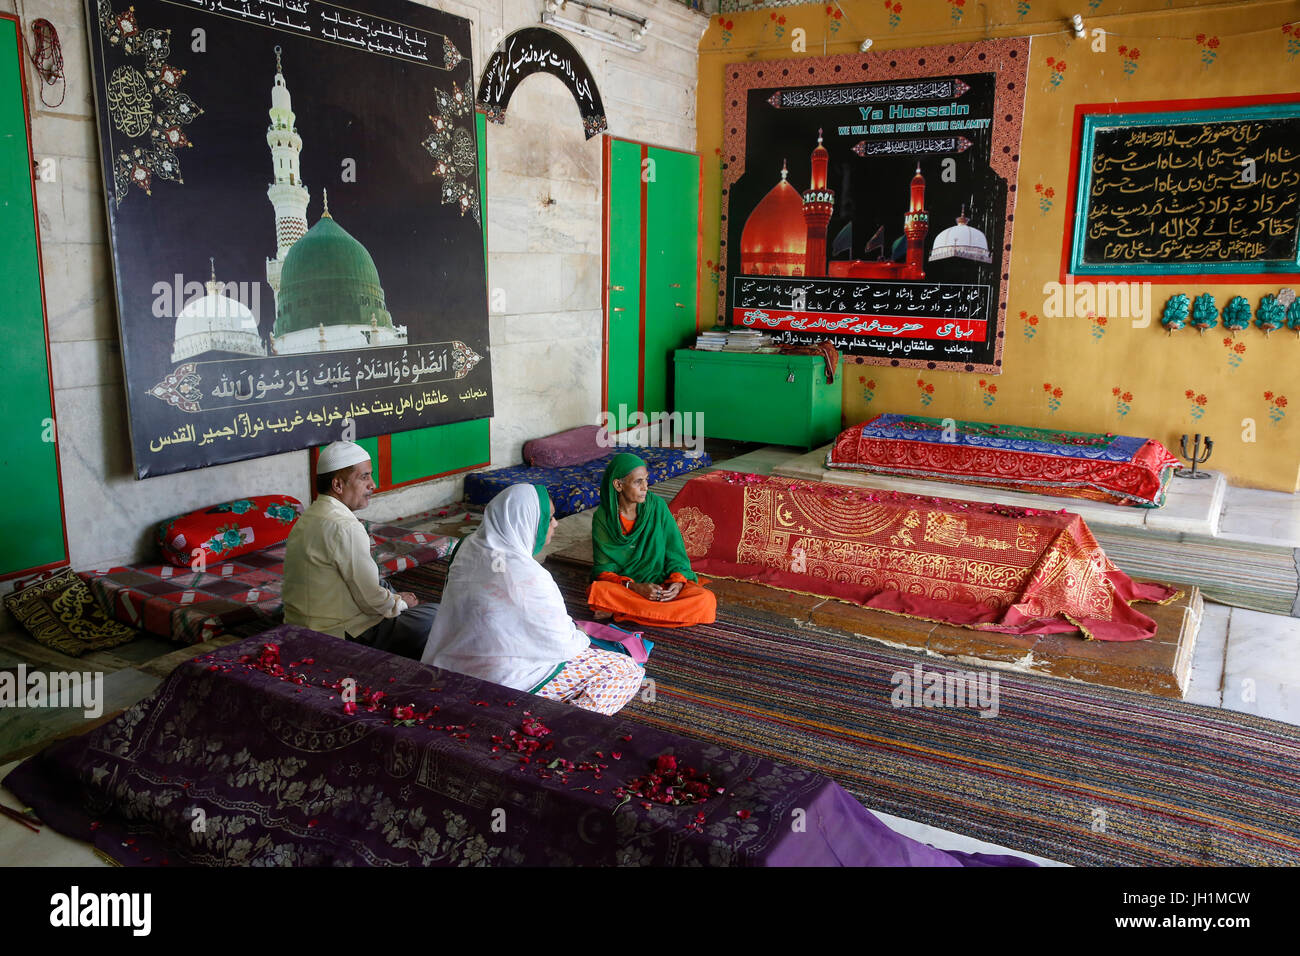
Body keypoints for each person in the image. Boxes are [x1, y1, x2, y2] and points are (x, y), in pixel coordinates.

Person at [422, 483, 643, 715]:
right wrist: (580, 636)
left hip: (450, 668)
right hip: (505, 681)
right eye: (549, 518)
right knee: (626, 669)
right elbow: (561, 645)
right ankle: (569, 720)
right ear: (526, 522)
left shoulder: (467, 547)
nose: (555, 523)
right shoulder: (530, 575)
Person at [282, 440, 436, 659]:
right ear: (338, 485)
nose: (372, 485)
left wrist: (390, 597)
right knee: (435, 617)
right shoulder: (345, 527)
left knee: (383, 585)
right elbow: (370, 598)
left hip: (296, 627)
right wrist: (400, 603)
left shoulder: (309, 516)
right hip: (336, 636)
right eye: (364, 477)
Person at [587, 453, 716, 627]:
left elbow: (675, 553)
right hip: (627, 586)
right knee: (598, 591)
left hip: (661, 584)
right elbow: (604, 570)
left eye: (646, 480)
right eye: (637, 482)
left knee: (705, 600)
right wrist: (635, 587)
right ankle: (648, 611)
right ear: (618, 485)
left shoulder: (657, 507)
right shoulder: (603, 518)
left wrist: (677, 583)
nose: (645, 487)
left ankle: (621, 611)